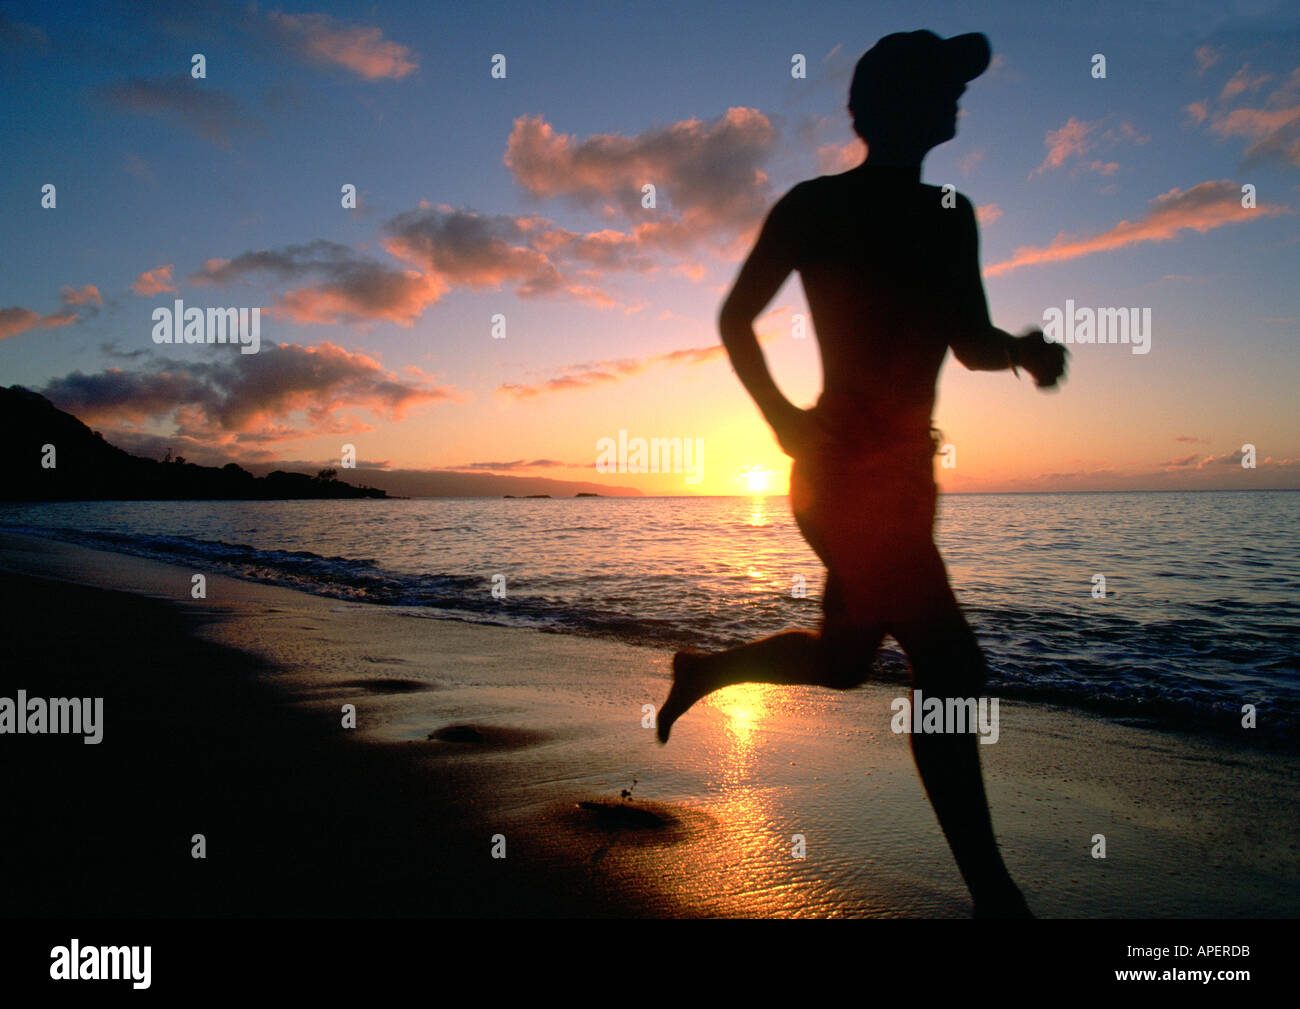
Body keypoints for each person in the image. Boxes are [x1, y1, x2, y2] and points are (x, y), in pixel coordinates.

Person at [655, 30, 1067, 918]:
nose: (958, 97)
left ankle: (705, 670)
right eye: (940, 83)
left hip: (907, 478)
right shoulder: (815, 206)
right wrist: (784, 422)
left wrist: (1024, 352)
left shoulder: (954, 213)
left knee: (846, 661)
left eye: (959, 84)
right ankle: (997, 897)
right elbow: (735, 318)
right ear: (881, 105)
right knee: (951, 663)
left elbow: (967, 341)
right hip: (840, 474)